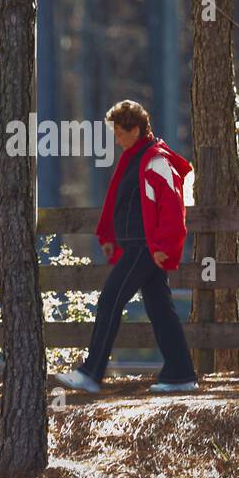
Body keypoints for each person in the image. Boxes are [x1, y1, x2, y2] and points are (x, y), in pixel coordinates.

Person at [55, 100, 198, 394]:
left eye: (120, 133)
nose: (116, 139)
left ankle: (92, 373)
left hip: (145, 249)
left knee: (110, 300)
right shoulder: (134, 158)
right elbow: (120, 202)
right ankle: (181, 373)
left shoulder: (156, 159)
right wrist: (109, 238)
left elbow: (172, 207)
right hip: (137, 247)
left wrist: (163, 245)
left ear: (135, 129)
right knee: (160, 308)